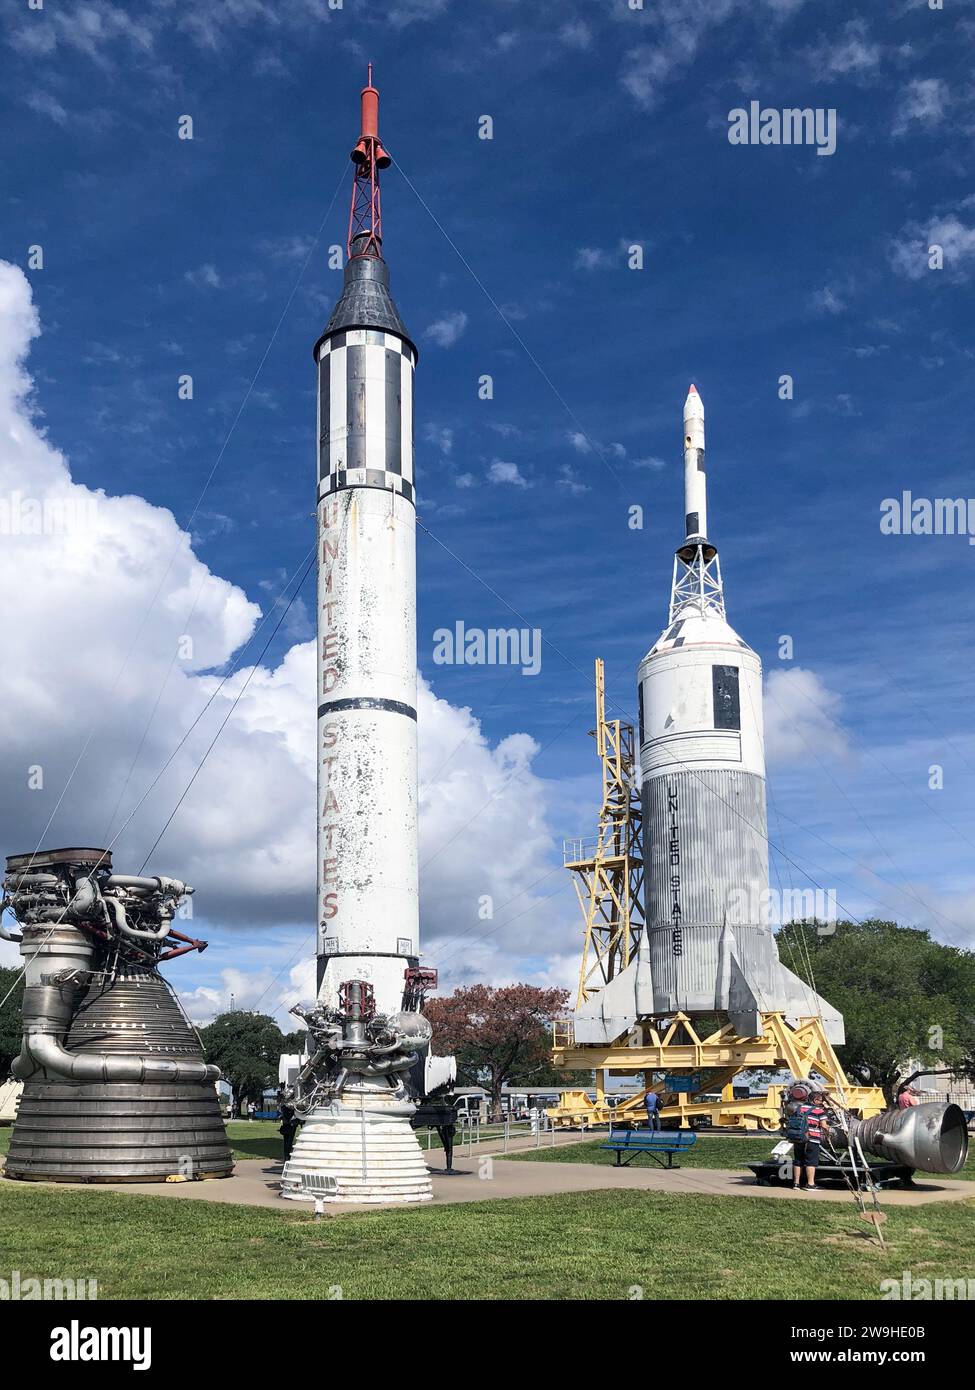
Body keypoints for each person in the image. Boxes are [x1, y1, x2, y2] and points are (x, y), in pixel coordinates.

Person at [787, 1088, 829, 1191]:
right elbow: (824, 1126)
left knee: (798, 1161)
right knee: (811, 1161)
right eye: (820, 1100)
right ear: (814, 1100)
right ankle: (810, 1184)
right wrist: (828, 1133)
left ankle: (796, 1184)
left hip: (798, 1138)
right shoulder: (819, 1111)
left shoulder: (799, 1108)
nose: (821, 1102)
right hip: (812, 1139)